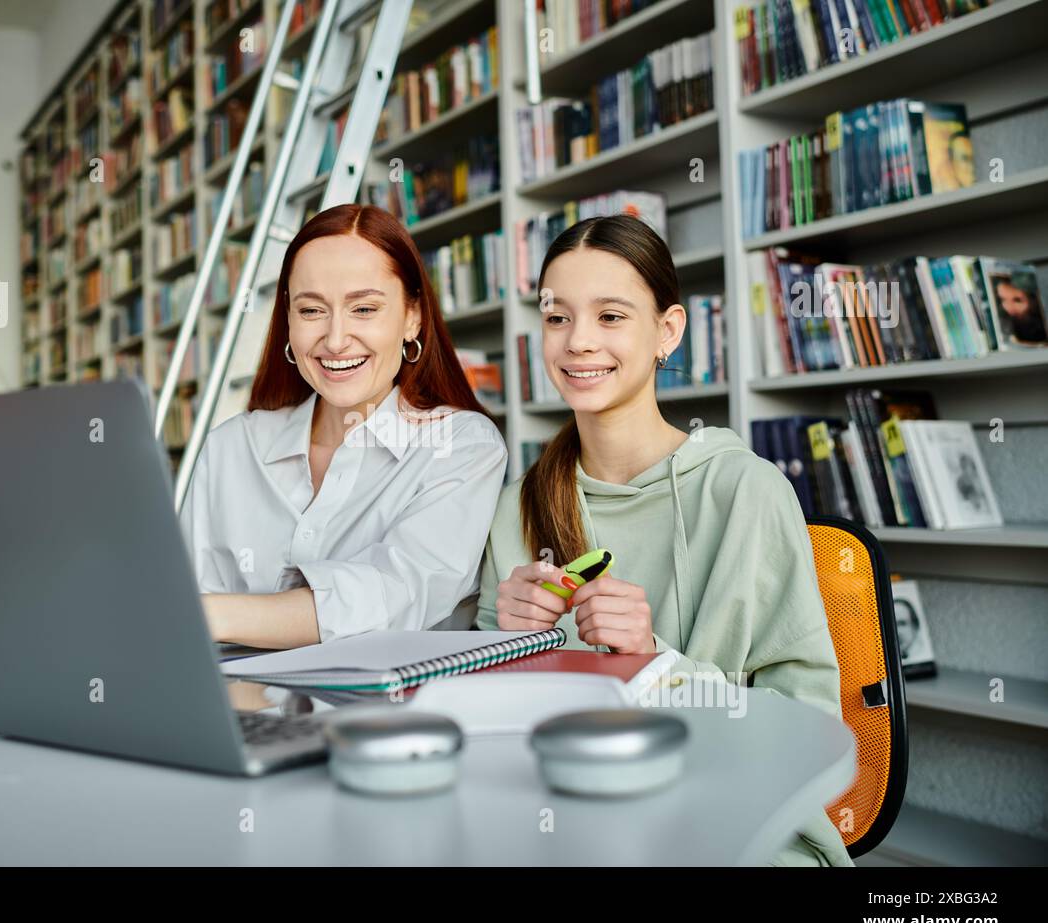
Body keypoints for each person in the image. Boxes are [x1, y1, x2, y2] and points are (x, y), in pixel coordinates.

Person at [475, 213, 852, 867]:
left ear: (668, 332)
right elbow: (492, 734)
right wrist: (504, 647)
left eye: (611, 316)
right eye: (557, 317)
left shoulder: (747, 492)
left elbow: (810, 732)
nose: (577, 342)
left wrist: (655, 664)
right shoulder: (517, 508)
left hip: (741, 833)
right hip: (569, 828)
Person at [181, 203, 507, 649]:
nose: (335, 340)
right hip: (237, 713)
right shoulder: (231, 447)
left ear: (413, 316)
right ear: (289, 320)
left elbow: (398, 596)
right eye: (312, 310)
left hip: (391, 716)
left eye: (364, 309)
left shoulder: (462, 445)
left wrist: (206, 614)